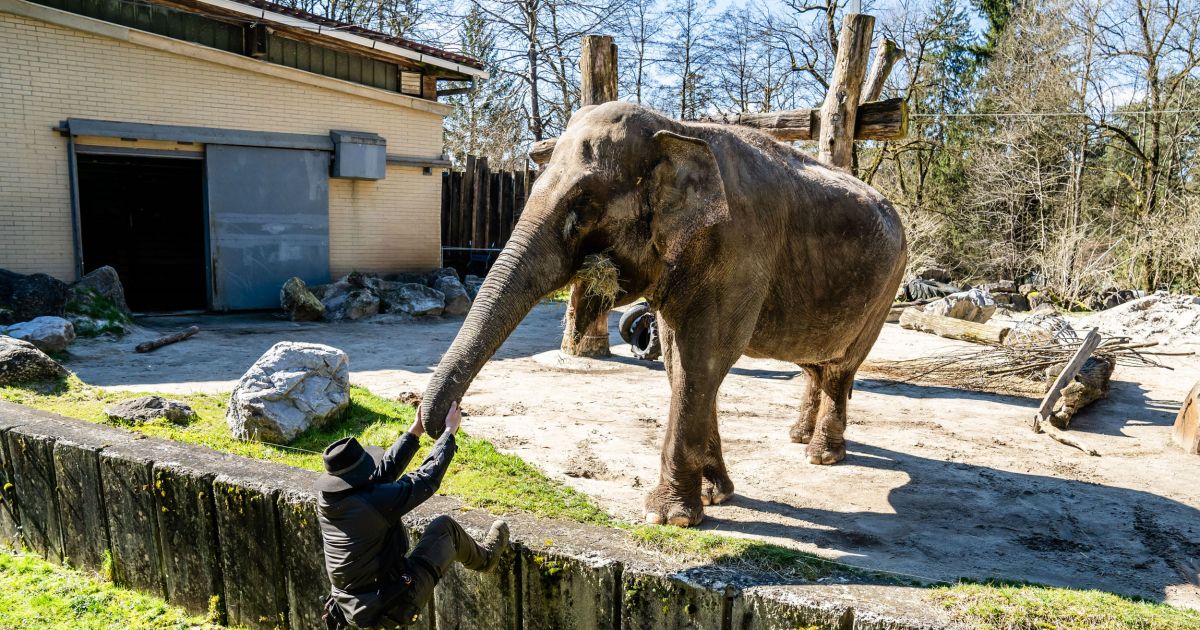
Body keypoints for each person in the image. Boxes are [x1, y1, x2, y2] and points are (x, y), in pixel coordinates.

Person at [317, 401, 509, 629]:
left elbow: (381, 474)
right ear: (359, 477)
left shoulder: (329, 498)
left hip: (354, 605)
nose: (372, 471)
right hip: (390, 604)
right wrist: (449, 432)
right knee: (445, 529)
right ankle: (487, 559)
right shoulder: (372, 503)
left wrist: (415, 430)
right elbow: (425, 479)